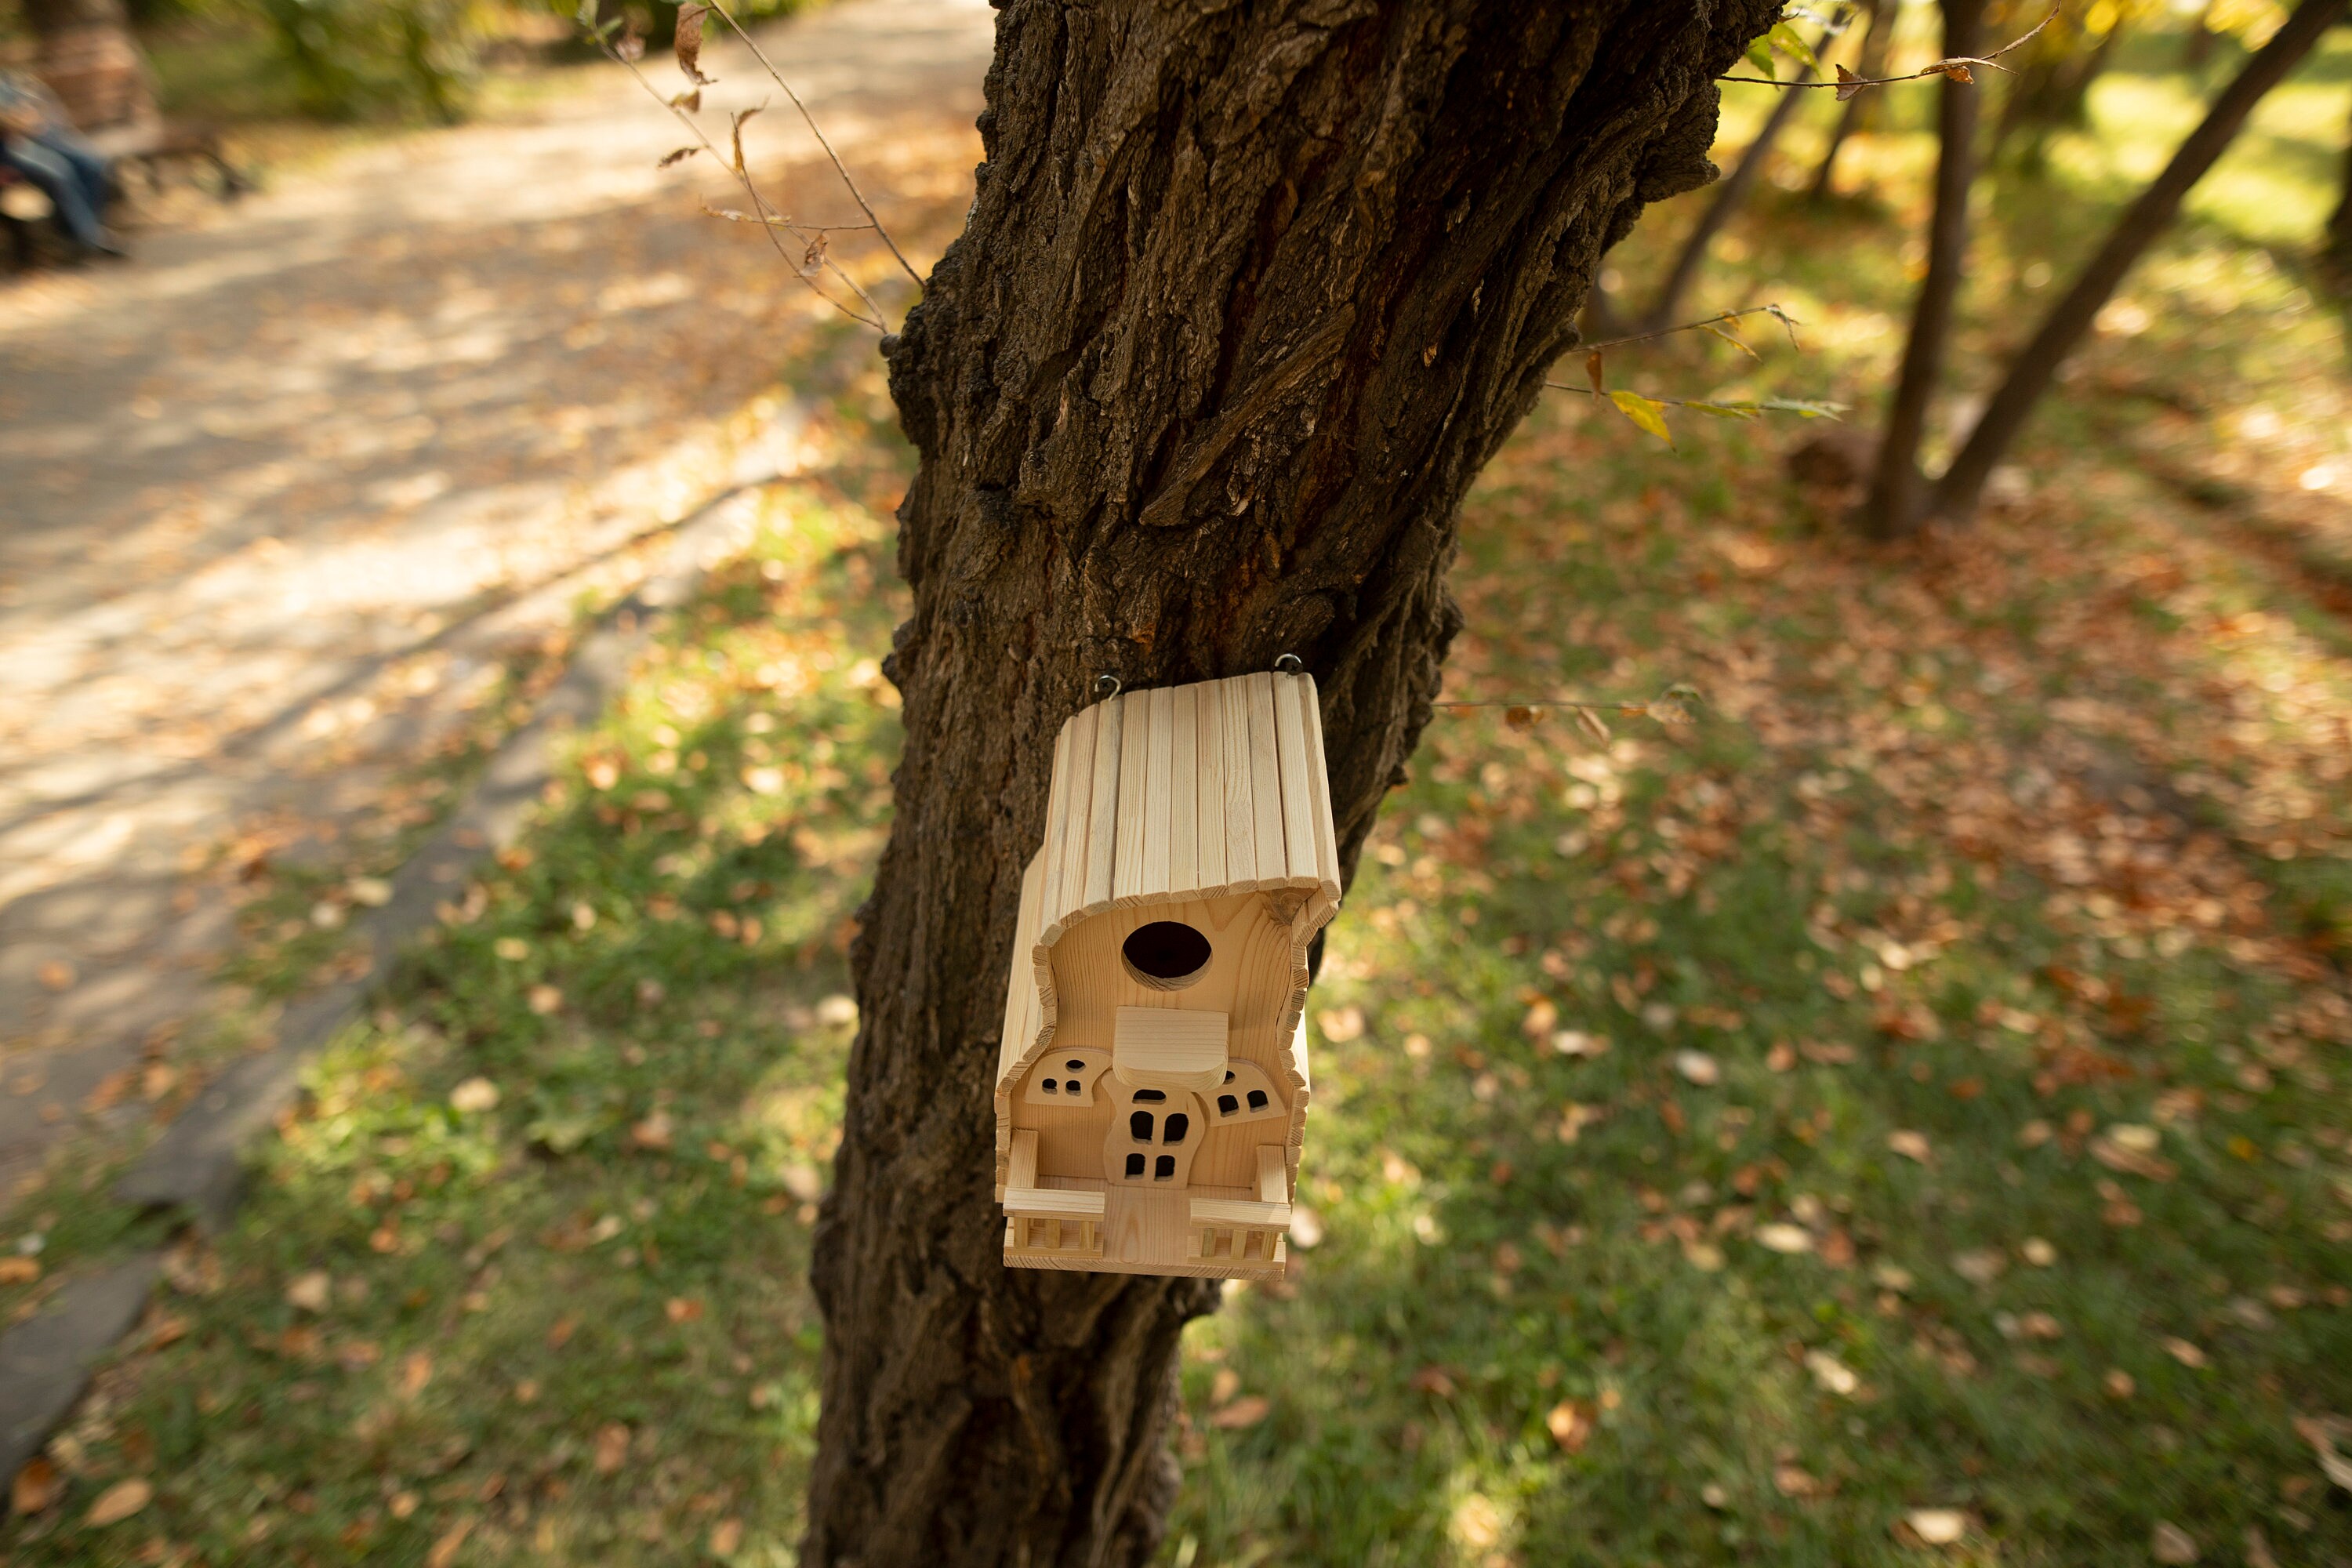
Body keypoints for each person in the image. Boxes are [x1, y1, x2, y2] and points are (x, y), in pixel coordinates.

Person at [0, 67, 122, 259]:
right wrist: (14, 123)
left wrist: (29, 116)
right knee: (59, 171)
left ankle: (89, 231)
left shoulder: (5, 79)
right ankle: (85, 238)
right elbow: (10, 122)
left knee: (92, 164)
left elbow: (33, 104)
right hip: (9, 151)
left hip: (38, 138)